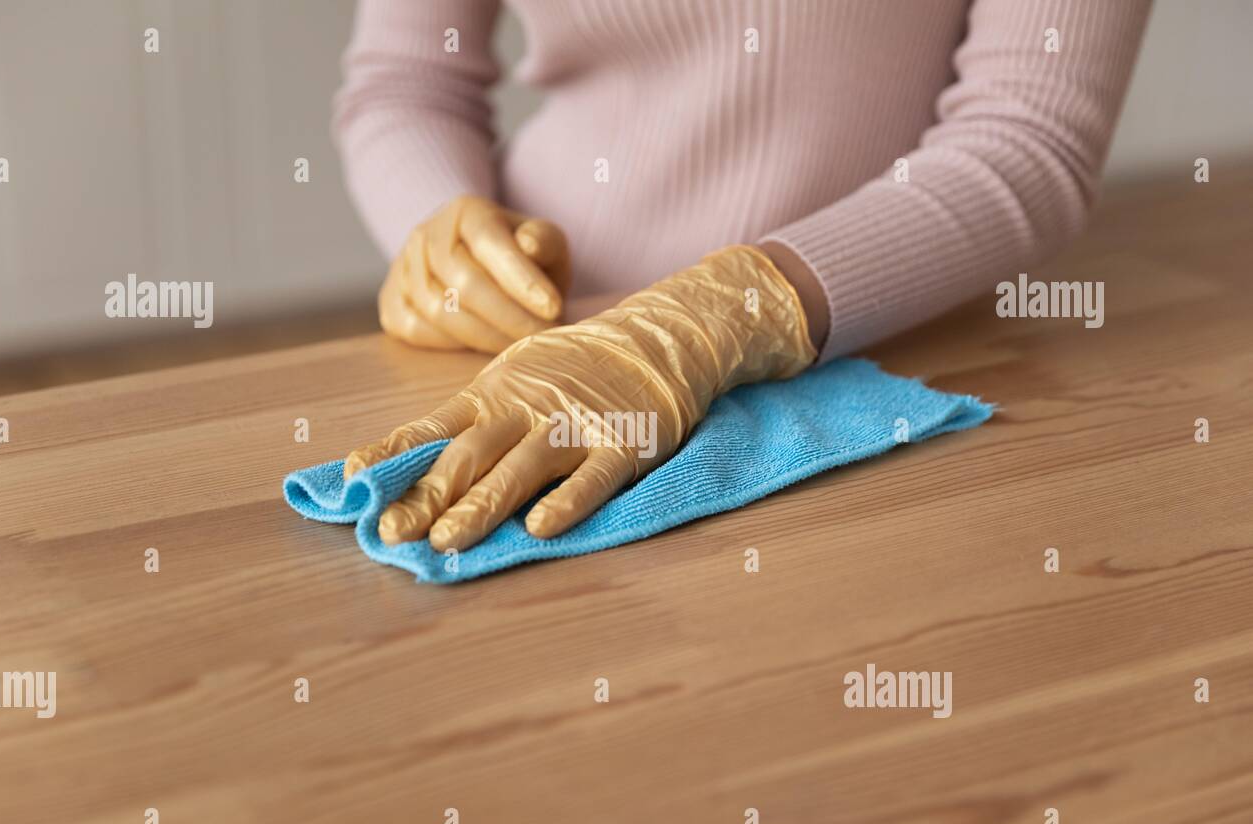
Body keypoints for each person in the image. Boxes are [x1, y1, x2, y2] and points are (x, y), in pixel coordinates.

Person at [333, 0, 1150, 552]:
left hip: (891, 350)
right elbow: (406, 85)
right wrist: (442, 231)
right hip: (515, 350)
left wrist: (711, 316)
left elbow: (1030, 136)